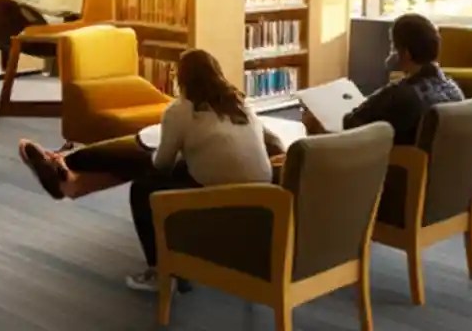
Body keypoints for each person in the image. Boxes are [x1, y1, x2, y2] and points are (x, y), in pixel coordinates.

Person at [15, 49, 280, 292]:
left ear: (182, 78)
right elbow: (260, 145)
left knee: (143, 187)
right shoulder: (241, 103)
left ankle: (163, 273)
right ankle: (68, 179)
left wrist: (169, 152)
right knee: (176, 165)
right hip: (263, 195)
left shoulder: (180, 110)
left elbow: (162, 164)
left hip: (219, 193)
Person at [303, 12, 464, 145]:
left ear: (405, 53)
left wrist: (317, 129)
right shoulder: (453, 90)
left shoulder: (400, 95)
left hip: (395, 171)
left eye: (394, 45)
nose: (391, 52)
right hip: (441, 176)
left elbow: (351, 124)